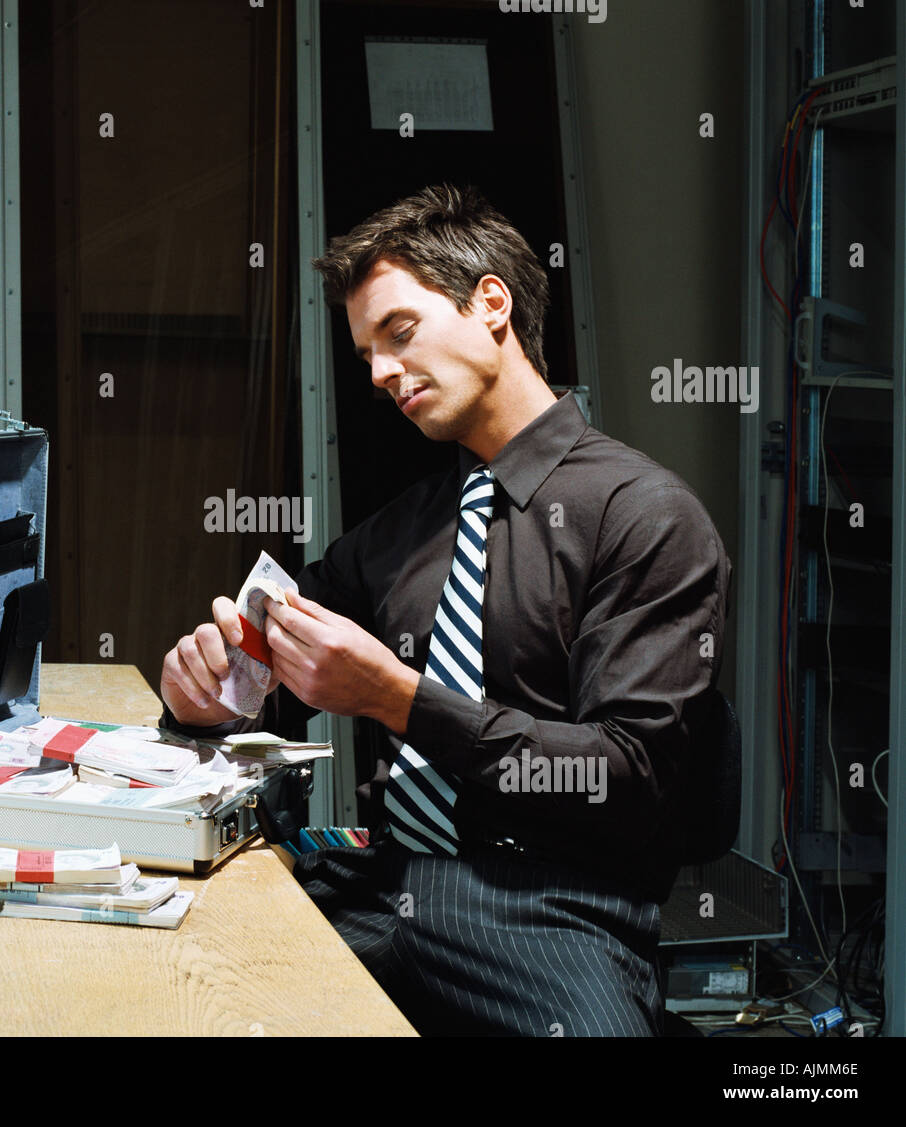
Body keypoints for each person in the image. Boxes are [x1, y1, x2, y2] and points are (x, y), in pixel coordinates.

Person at [158, 183, 732, 1036]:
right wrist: (205, 691)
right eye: (367, 356)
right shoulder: (407, 528)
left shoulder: (643, 514)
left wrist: (396, 698)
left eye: (400, 333)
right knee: (153, 980)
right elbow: (267, 667)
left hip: (550, 909)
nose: (383, 374)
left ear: (490, 304)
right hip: (378, 882)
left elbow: (626, 778)